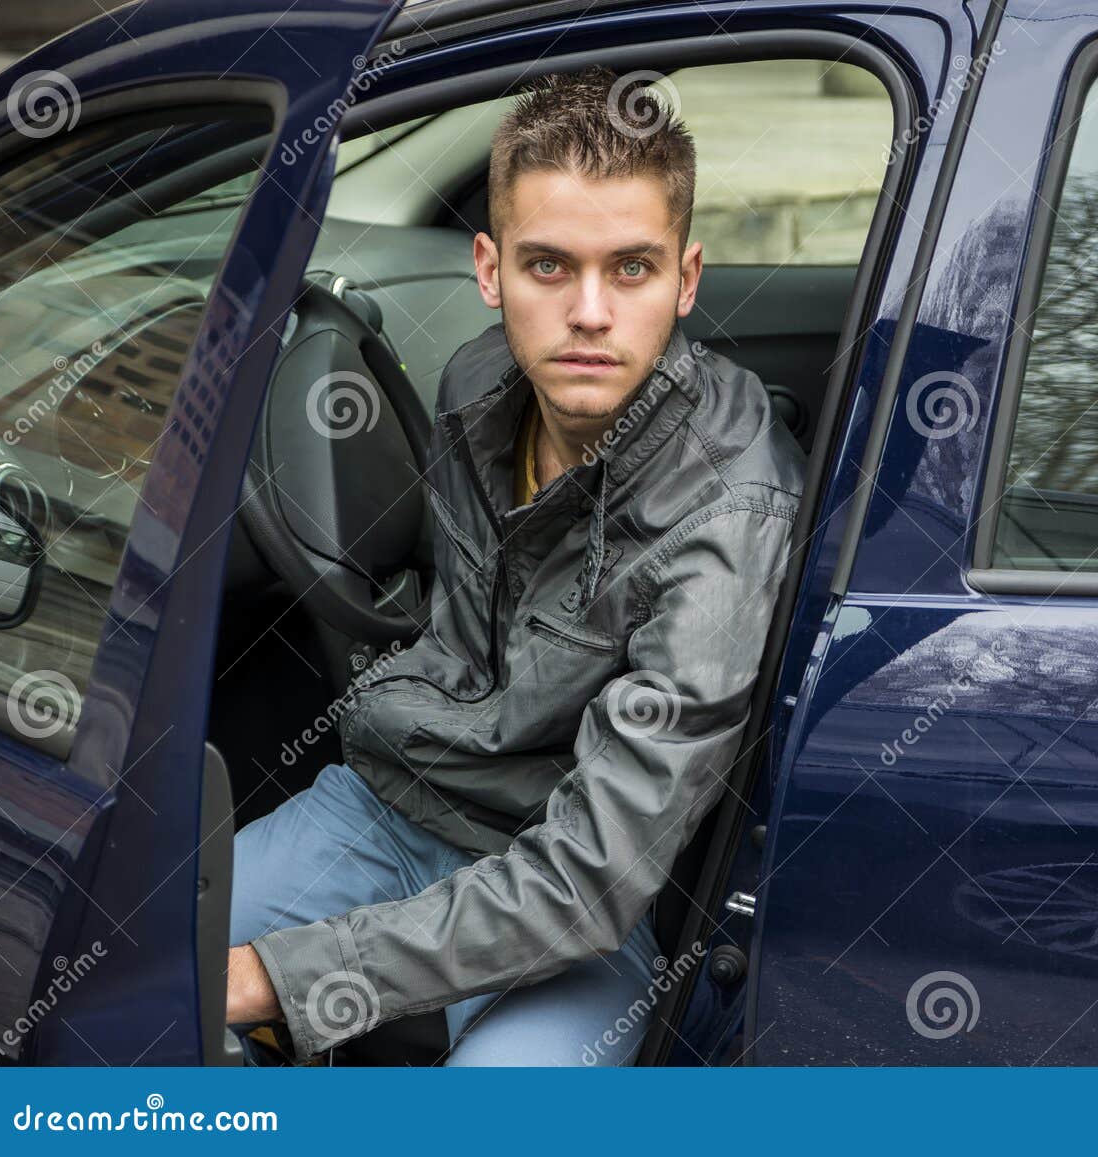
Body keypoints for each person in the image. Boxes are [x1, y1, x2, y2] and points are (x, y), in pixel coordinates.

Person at [223, 66, 806, 1065]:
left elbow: (589, 881)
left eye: (631, 268)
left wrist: (280, 977)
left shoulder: (731, 511)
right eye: (548, 266)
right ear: (489, 271)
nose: (588, 311)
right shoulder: (475, 380)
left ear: (688, 277)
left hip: (575, 889)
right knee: (108, 961)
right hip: (390, 804)